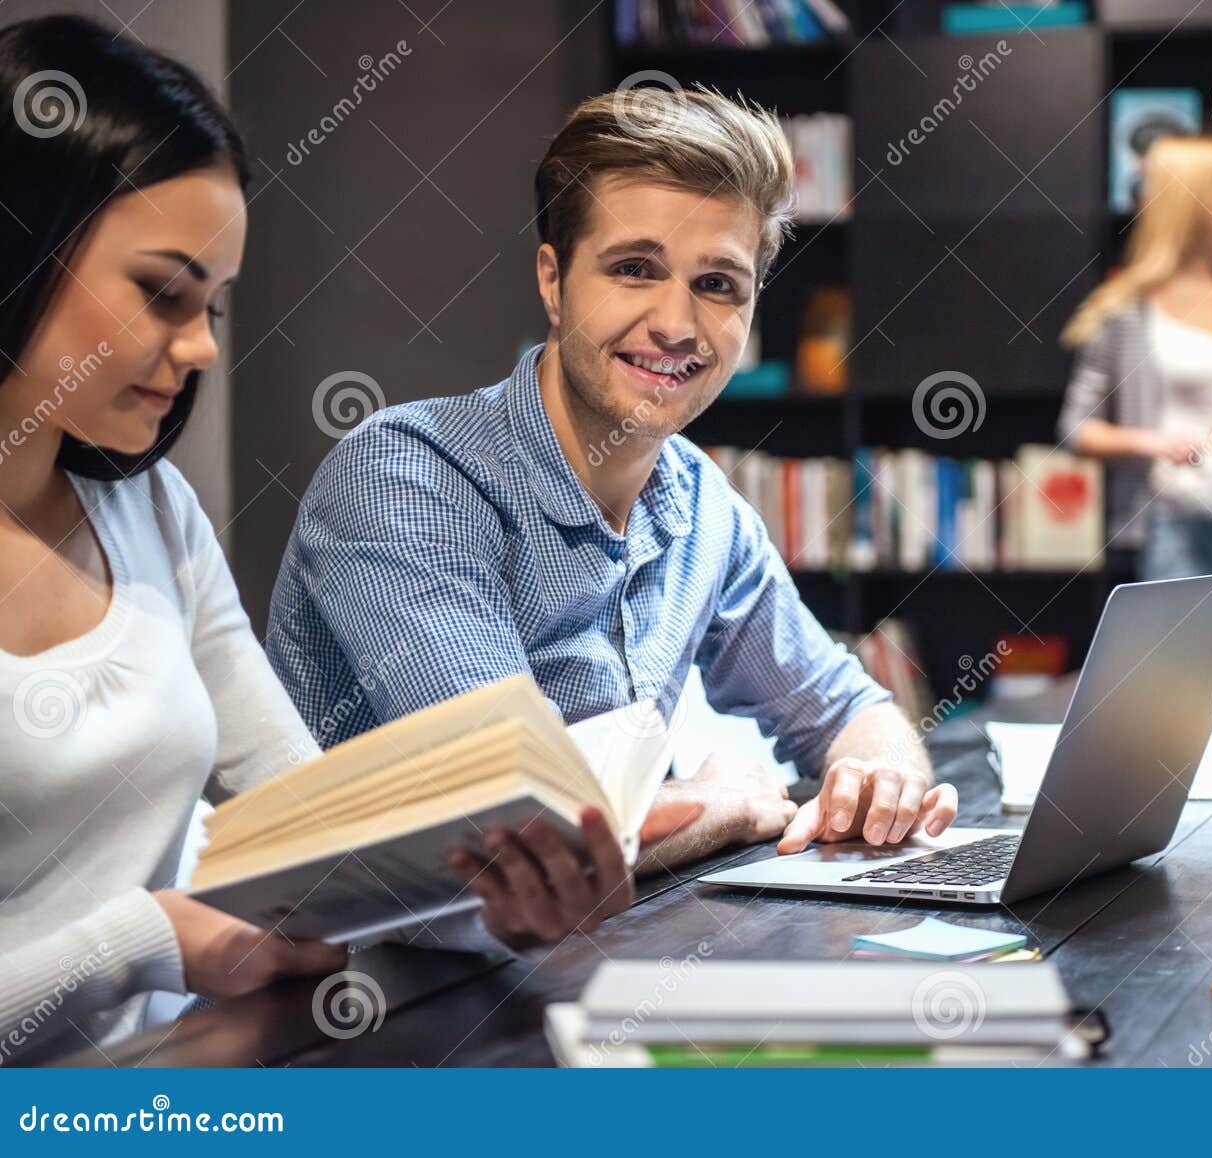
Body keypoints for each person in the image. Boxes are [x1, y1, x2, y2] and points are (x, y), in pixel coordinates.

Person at [0, 16, 693, 1063]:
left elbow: (313, 833)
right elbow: (161, 937)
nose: (197, 348)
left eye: (216, 307)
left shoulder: (154, 517)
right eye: (161, 293)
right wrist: (144, 939)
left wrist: (499, 902)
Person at [265, 88, 959, 918]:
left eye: (718, 283)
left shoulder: (703, 500)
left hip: (584, 962)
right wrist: (722, 805)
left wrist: (880, 779)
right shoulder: (406, 477)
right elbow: (519, 835)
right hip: (365, 1001)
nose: (676, 322)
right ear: (553, 282)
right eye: (635, 269)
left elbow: (851, 708)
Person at [1057, 135, 1212, 601]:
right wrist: (1151, 443)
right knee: (1178, 671)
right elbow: (1076, 428)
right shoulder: (1126, 315)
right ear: (1188, 203)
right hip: (1172, 523)